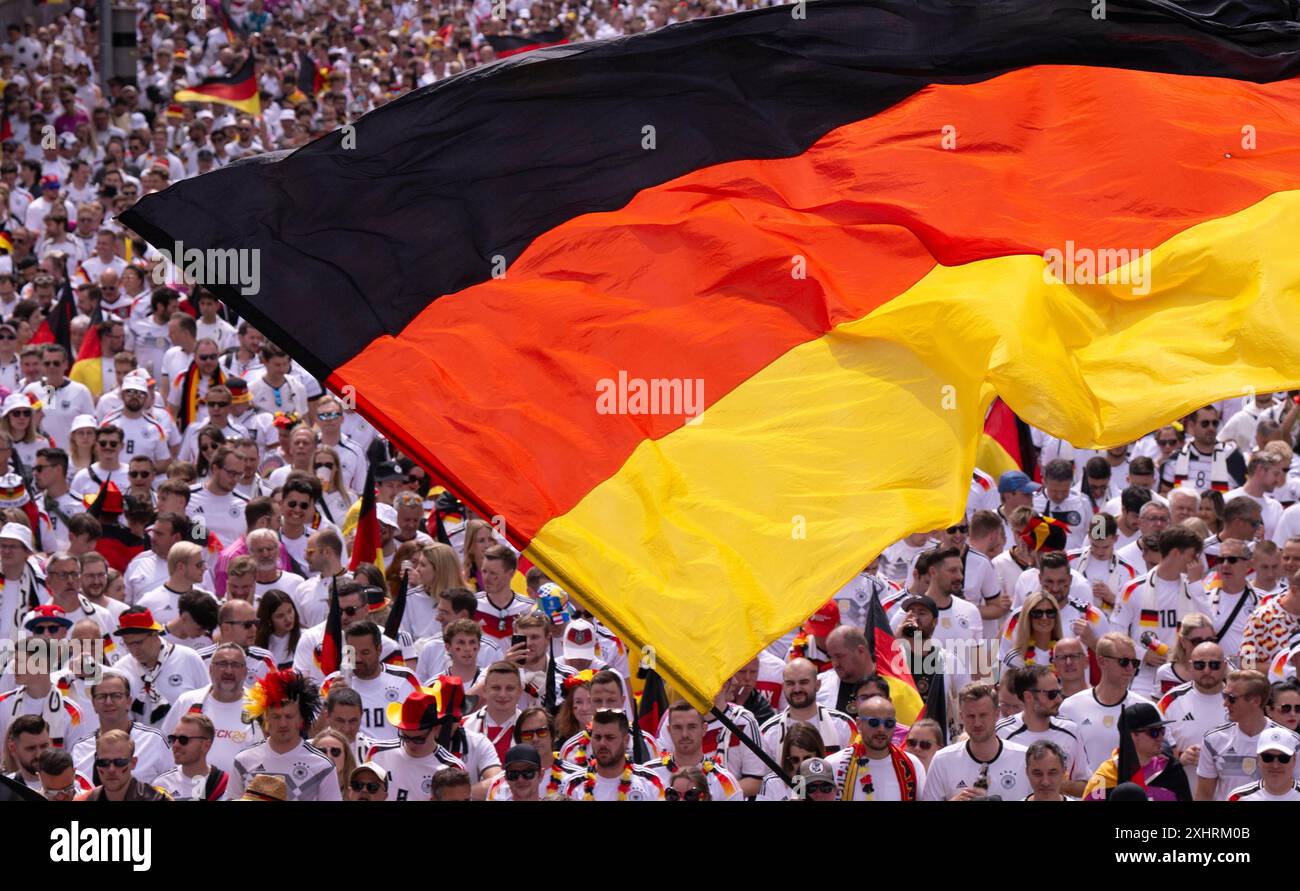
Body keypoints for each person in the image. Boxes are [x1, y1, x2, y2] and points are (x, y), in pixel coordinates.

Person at [227, 668, 340, 800]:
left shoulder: (322, 766)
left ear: (301, 720)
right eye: (276, 717)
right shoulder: (244, 760)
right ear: (266, 718)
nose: (283, 724)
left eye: (289, 716)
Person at [161, 641, 265, 774]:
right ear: (210, 669)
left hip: (242, 791)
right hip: (193, 789)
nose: (228, 671)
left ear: (245, 672)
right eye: (222, 664)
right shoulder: (188, 701)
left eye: (235, 665)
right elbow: (164, 746)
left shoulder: (260, 705)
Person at [1196, 669, 1298, 801]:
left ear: (1255, 701)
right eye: (1224, 696)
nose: (1225, 703)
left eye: (1231, 698)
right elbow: (1204, 795)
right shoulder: (1213, 740)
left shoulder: (1293, 742)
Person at [1059, 632, 1149, 774]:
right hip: (1086, 794)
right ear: (1102, 661)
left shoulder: (1146, 708)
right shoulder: (1070, 707)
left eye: (1135, 663)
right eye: (1124, 662)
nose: (1130, 668)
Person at [922, 683, 1031, 800]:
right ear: (961, 717)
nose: (977, 723)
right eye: (971, 716)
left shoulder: (1024, 758)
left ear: (997, 714)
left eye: (983, 715)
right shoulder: (942, 760)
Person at [995, 664, 1088, 797]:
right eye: (1052, 694)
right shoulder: (1002, 732)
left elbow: (1087, 785)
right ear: (1028, 697)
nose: (1059, 699)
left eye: (1058, 692)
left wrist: (1056, 783)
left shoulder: (1070, 730)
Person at [366, 684, 468, 801]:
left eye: (419, 739)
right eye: (405, 737)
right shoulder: (377, 753)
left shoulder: (451, 767)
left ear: (436, 729)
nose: (411, 744)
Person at [111, 606, 207, 727]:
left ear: (155, 634)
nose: (134, 650)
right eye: (128, 644)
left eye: (138, 642)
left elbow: (207, 702)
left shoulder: (188, 658)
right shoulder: (120, 670)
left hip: (183, 742)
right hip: (139, 744)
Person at [1083, 702, 1192, 801]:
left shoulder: (1172, 770)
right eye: (1154, 732)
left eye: (1162, 731)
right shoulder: (1104, 777)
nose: (1161, 737)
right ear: (1132, 735)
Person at [824, 694, 925, 800]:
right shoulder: (834, 764)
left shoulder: (912, 764)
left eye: (888, 723)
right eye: (874, 722)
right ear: (859, 724)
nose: (881, 729)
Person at [759, 657, 855, 761]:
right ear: (783, 687)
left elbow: (856, 768)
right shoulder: (768, 732)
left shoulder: (843, 725)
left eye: (803, 682)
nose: (797, 689)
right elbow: (762, 775)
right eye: (790, 683)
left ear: (817, 685)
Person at [643, 701, 743, 801]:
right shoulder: (647, 775)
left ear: (704, 729)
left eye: (692, 727)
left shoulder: (724, 781)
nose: (685, 734)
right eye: (678, 727)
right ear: (669, 731)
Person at [1158, 641, 1229, 782]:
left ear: (1225, 667)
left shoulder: (1240, 700)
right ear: (1190, 667)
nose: (1207, 670)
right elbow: (1152, 749)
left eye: (1214, 665)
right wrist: (1180, 758)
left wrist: (1217, 760)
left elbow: (1252, 759)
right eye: (1199, 665)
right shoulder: (1169, 700)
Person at [563, 708, 664, 801]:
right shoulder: (574, 784)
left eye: (610, 737)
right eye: (597, 737)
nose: (602, 743)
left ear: (626, 740)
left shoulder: (650, 782)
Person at [75, 728, 171, 800]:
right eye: (104, 762)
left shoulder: (156, 799)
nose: (111, 769)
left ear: (133, 763)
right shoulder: (85, 800)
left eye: (119, 762)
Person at [152, 712, 228, 800]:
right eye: (173, 738)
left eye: (183, 739)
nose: (175, 745)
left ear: (206, 745)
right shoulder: (162, 785)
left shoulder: (226, 786)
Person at [1227, 726, 1300, 800]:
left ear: (1294, 760)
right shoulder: (1238, 797)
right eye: (1267, 757)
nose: (1275, 765)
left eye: (1283, 758)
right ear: (1258, 759)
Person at [1156, 613, 1216, 695]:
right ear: (1183, 642)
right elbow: (1160, 707)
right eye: (1197, 641)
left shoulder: (1222, 672)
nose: (1204, 646)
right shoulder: (1166, 673)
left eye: (1209, 640)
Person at [255, 589, 300, 669]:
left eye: (290, 611)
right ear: (268, 619)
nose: (288, 619)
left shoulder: (305, 637)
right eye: (280, 616)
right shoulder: (259, 644)